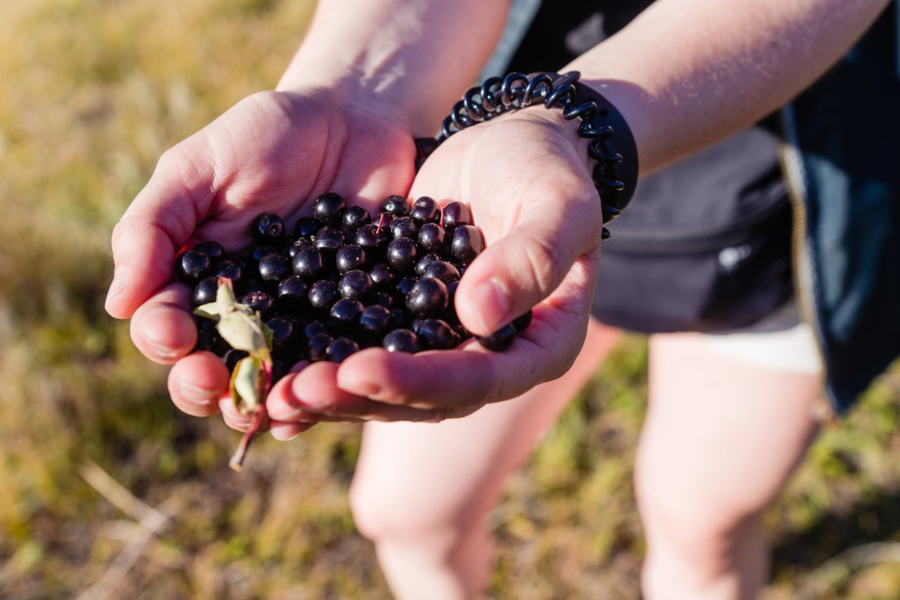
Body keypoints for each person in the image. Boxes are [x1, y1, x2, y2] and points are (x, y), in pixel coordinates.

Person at [105, 1, 899, 598]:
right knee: (407, 511)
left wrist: (574, 125)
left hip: (781, 202)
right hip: (496, 188)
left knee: (702, 520)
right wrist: (352, 89)